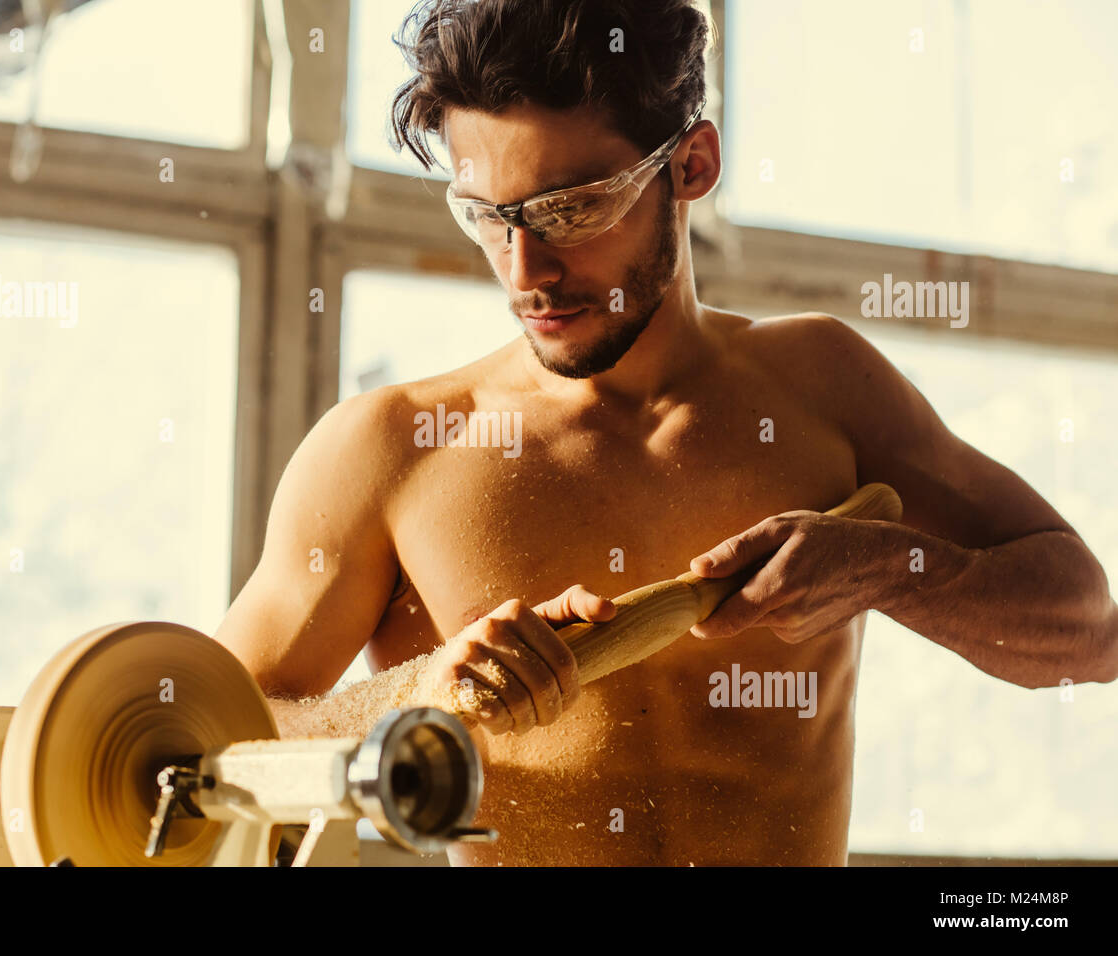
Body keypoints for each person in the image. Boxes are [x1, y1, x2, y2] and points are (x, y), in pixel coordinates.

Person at [213, 0, 1117, 865]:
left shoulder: (821, 387)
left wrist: (889, 570)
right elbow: (206, 736)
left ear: (691, 164)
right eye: (490, 218)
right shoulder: (393, 449)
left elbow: (1089, 632)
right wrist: (417, 694)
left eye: (572, 208)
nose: (526, 270)